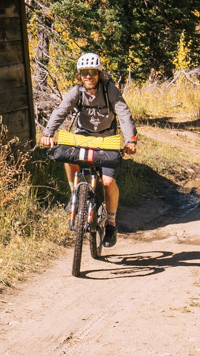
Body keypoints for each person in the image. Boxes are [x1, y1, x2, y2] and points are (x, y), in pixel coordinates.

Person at [42, 53, 138, 248]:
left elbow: (124, 114)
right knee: (69, 156)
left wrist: (131, 139)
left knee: (109, 182)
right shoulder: (76, 92)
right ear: (80, 75)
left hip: (107, 140)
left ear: (99, 73)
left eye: (92, 72)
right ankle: (74, 194)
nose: (88, 76)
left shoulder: (109, 90)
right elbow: (61, 111)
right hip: (83, 136)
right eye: (84, 72)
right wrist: (48, 133)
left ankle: (111, 224)